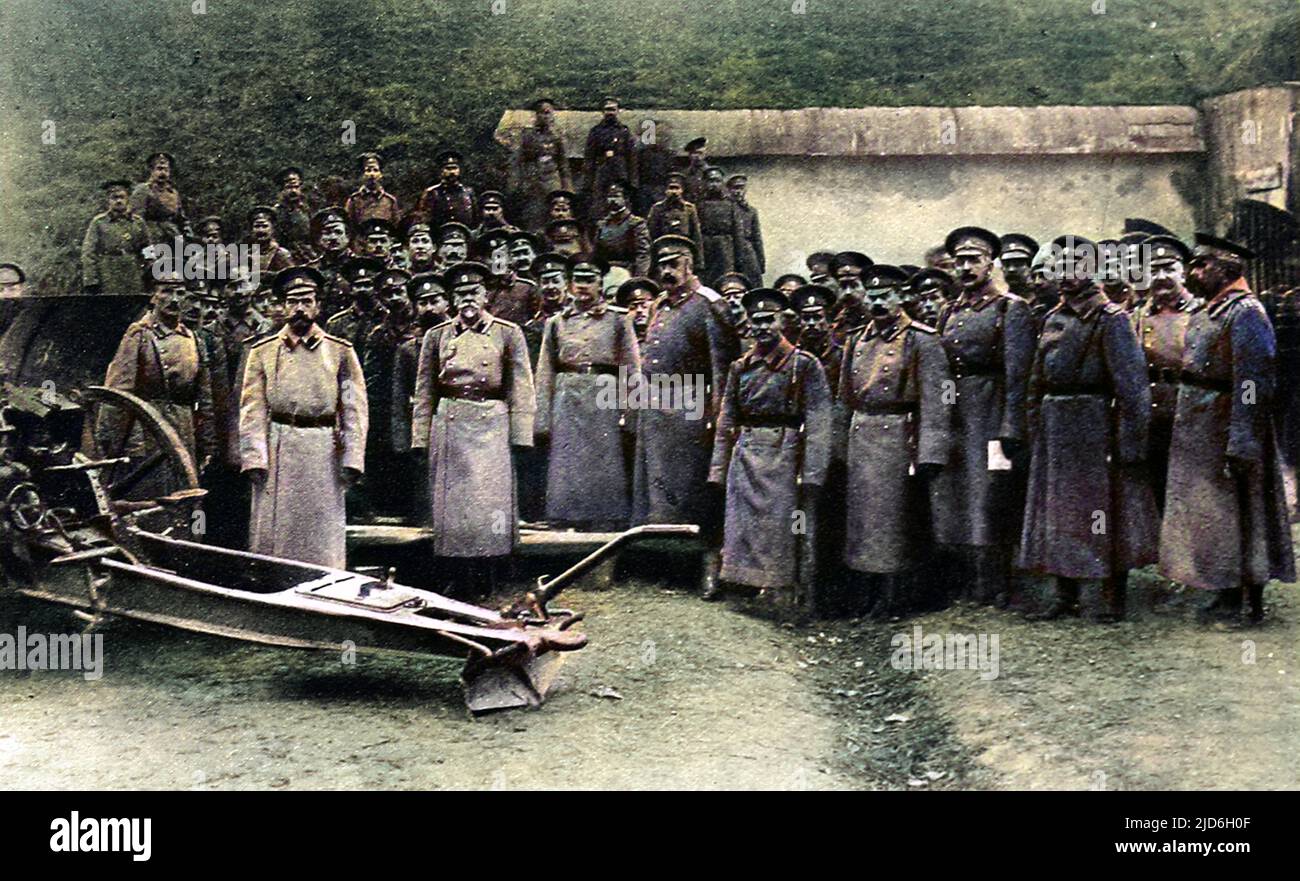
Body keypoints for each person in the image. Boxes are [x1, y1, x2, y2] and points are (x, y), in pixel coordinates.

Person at [1158, 234, 1296, 625]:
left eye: (1202, 265)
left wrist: (1243, 438)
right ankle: (1222, 590)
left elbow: (1252, 383)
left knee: (1242, 514)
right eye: (1194, 264)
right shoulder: (1210, 310)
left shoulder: (1246, 312)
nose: (1193, 272)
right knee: (1211, 517)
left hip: (1227, 427)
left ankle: (1247, 602)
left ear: (1228, 268)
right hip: (1200, 430)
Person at [1019, 235, 1156, 623]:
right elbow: (1035, 381)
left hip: (1096, 429)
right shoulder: (1052, 318)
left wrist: (1129, 446)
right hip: (1055, 428)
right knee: (1059, 514)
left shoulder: (1112, 319)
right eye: (1057, 269)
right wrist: (1035, 429)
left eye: (1073, 268)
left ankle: (1112, 597)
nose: (1063, 277)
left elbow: (1133, 390)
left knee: (1104, 512)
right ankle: (1064, 593)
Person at [411, 262, 535, 594]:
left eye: (473, 292)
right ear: (452, 300)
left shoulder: (507, 333)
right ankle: (457, 576)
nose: (467, 299)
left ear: (485, 296)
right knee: (454, 509)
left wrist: (521, 435)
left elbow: (521, 386)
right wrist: (420, 438)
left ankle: (489, 575)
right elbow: (424, 391)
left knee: (489, 504)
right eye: (460, 294)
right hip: (450, 421)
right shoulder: (436, 336)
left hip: (491, 422)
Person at [838, 266, 952, 617]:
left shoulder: (922, 339)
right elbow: (844, 399)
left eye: (885, 295)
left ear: (902, 297)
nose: (877, 302)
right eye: (871, 296)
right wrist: (838, 449)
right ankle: (864, 594)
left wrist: (931, 451)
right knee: (861, 523)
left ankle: (893, 597)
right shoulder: (857, 340)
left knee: (893, 521)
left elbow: (939, 400)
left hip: (899, 437)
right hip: (862, 436)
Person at [931, 227, 1035, 608]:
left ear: (991, 263)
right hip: (958, 415)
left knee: (994, 494)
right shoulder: (950, 311)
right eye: (960, 261)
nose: (966, 267)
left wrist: (1011, 426)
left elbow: (1018, 373)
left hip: (992, 417)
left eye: (974, 260)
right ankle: (969, 581)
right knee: (959, 494)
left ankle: (1002, 583)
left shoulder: (1011, 308)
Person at [708, 288, 831, 608]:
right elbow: (727, 419)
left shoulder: (803, 364)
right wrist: (718, 469)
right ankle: (741, 586)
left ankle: (781, 591)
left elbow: (819, 421)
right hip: (746, 452)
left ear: (784, 322)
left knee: (781, 526)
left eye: (769, 321)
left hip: (784, 453)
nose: (762, 328)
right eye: (756, 321)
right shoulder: (741, 366)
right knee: (742, 525)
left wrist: (813, 472)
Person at [239, 266, 368, 570]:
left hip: (323, 451)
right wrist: (254, 458)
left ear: (318, 306)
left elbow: (354, 410)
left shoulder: (340, 352)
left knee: (320, 536)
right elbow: (252, 410)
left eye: (307, 301)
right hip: (278, 448)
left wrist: (352, 458)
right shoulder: (262, 352)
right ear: (282, 306)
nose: (300, 308)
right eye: (293, 301)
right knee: (275, 535)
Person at [632, 235, 736, 597]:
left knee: (696, 492)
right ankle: (669, 565)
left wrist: (718, 414)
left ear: (689, 265)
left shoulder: (709, 304)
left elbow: (721, 365)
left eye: (673, 264)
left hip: (693, 409)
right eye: (661, 264)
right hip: (657, 410)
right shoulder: (661, 304)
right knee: (661, 493)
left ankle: (707, 568)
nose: (666, 271)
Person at [535, 256, 642, 529]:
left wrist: (629, 412)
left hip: (603, 392)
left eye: (589, 280)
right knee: (566, 460)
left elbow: (631, 367)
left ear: (600, 283)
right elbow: (545, 370)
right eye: (578, 280)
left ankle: (605, 521)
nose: (583, 286)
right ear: (570, 284)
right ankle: (565, 520)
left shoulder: (618, 320)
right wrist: (542, 417)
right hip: (567, 393)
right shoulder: (557, 322)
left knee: (604, 459)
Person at [101, 271, 217, 473]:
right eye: (166, 292)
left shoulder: (193, 339)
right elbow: (118, 392)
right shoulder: (140, 335)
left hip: (184, 431)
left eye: (180, 293)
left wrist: (207, 444)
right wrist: (113, 442)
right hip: (148, 431)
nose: (174, 300)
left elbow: (205, 398)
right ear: (154, 297)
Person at [1129, 235, 1200, 511]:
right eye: (1153, 270)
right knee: (1156, 489)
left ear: (1184, 271)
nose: (1161, 277)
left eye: (1168, 269)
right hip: (1153, 418)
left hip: (1190, 414)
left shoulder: (1201, 312)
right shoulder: (1138, 317)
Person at [360, 268, 415, 519]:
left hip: (415, 401)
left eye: (399, 292)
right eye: (388, 294)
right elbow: (371, 374)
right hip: (386, 405)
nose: (395, 298)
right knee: (387, 456)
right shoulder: (378, 333)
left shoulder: (421, 328)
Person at [511, 97, 572, 233]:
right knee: (534, 218)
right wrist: (520, 183)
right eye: (543, 113)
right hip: (534, 185)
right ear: (537, 115)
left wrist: (567, 188)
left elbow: (563, 165)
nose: (546, 116)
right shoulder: (528, 136)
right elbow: (519, 161)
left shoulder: (556, 137)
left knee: (555, 217)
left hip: (552, 184)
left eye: (549, 113)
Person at [81, 179, 152, 294]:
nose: (118, 201)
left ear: (127, 199)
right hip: (108, 274)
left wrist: (150, 271)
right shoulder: (99, 223)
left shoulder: (138, 222)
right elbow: (88, 253)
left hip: (133, 273)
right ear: (108, 200)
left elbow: (148, 248)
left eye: (122, 197)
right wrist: (91, 280)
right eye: (114, 197)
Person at [583, 97, 637, 224]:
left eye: (613, 109)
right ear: (602, 112)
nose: (610, 113)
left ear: (618, 111)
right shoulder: (596, 131)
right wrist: (588, 182)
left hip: (620, 174)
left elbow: (632, 158)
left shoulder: (624, 131)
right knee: (600, 206)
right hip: (601, 174)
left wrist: (633, 181)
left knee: (622, 203)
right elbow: (589, 157)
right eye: (607, 110)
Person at [326, 256, 384, 359]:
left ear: (376, 288)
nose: (362, 290)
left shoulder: (386, 318)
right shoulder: (336, 323)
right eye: (358, 286)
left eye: (367, 285)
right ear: (351, 289)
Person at [592, 180, 651, 277]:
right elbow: (596, 254)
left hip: (628, 272)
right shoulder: (602, 225)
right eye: (610, 196)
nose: (612, 200)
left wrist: (639, 277)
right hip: (606, 273)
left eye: (616, 196)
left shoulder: (636, 223)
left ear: (626, 199)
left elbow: (643, 255)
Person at [306, 206, 355, 317]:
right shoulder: (311, 270)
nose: (333, 237)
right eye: (327, 233)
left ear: (348, 236)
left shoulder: (361, 265)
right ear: (318, 239)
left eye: (338, 232)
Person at [697, 167, 743, 287]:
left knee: (726, 279)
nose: (714, 184)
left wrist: (739, 257)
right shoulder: (698, 204)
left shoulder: (730, 204)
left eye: (717, 181)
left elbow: (737, 231)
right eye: (711, 181)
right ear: (705, 183)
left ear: (722, 183)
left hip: (725, 247)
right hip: (705, 246)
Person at [130, 152, 187, 242]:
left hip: (174, 236)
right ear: (152, 171)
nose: (163, 173)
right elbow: (137, 218)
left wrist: (188, 234)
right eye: (159, 169)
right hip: (153, 236)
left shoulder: (173, 192)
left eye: (166, 170)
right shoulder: (144, 189)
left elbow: (181, 218)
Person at [418, 149, 479, 230]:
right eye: (448, 168)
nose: (452, 172)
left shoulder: (468, 192)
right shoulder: (432, 192)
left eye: (454, 168)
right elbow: (425, 219)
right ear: (441, 171)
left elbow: (475, 218)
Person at [343, 152, 401, 237]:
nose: (372, 174)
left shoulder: (389, 201)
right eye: (368, 170)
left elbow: (396, 227)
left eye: (376, 170)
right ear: (362, 174)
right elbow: (348, 227)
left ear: (381, 174)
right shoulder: (354, 200)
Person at [646, 172, 703, 258]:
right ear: (665, 190)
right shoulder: (657, 208)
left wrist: (699, 260)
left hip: (684, 248)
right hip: (663, 248)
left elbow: (696, 235)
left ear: (682, 190)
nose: (674, 192)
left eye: (677, 188)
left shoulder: (689, 208)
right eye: (671, 188)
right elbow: (651, 233)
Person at [727, 174, 765, 287]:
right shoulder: (726, 209)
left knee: (753, 283)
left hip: (747, 251)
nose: (738, 191)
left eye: (741, 188)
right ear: (729, 190)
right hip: (729, 250)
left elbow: (757, 238)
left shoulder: (750, 211)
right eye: (735, 188)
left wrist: (761, 262)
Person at [272, 166, 314, 259]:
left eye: (296, 187)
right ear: (282, 190)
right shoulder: (275, 213)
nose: (293, 191)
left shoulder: (308, 209)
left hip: (308, 255)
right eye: (289, 187)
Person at [248, 205, 296, 274]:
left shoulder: (281, 254)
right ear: (251, 230)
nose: (260, 230)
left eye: (265, 226)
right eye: (257, 226)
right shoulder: (246, 255)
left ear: (272, 229)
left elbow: (290, 279)